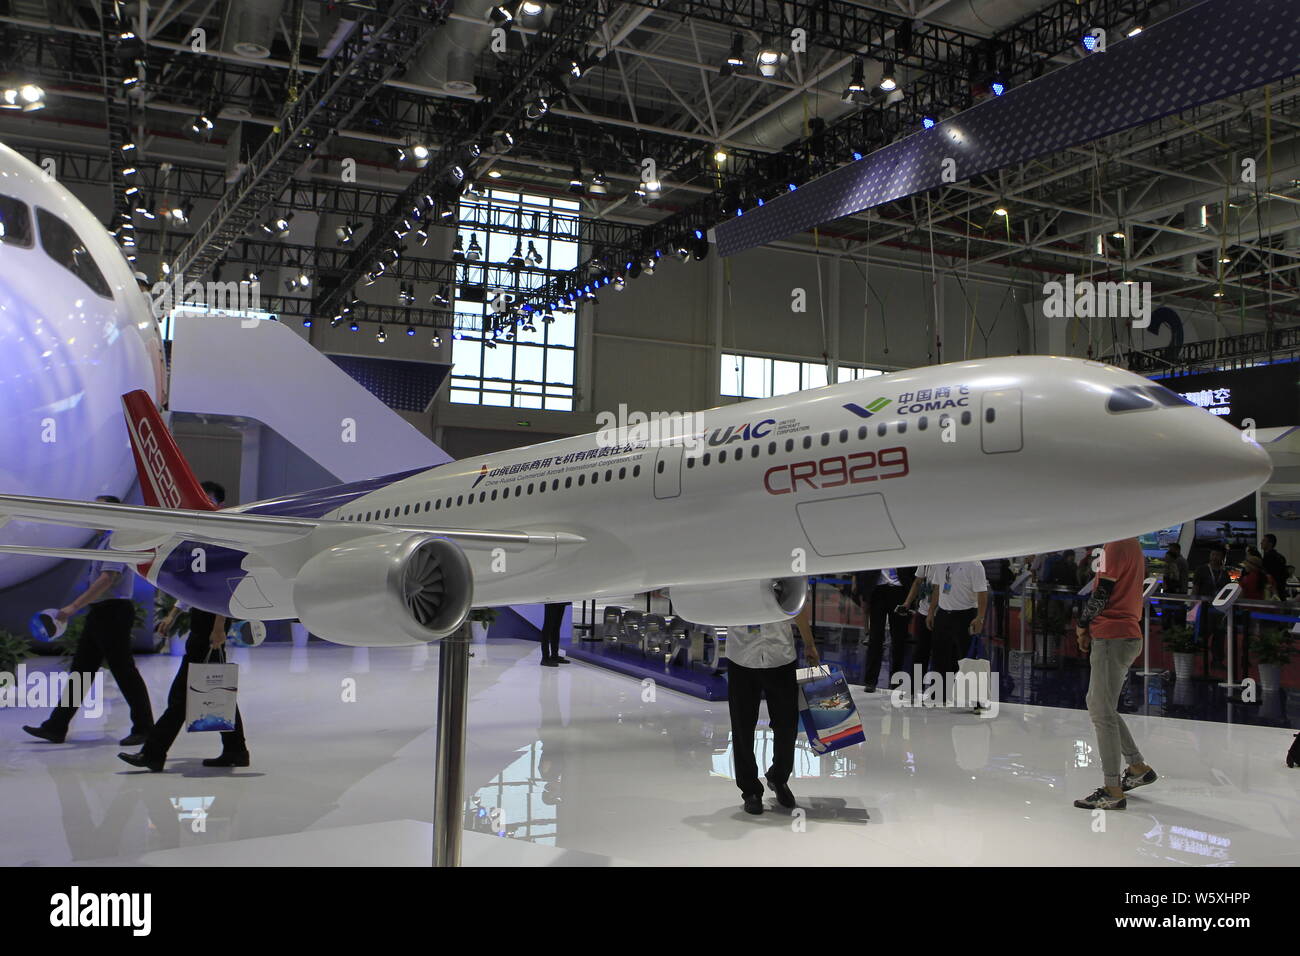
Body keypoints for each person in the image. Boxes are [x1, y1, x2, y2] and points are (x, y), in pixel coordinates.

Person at [120, 481, 250, 771]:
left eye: (208, 499)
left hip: (211, 623)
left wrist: (219, 627)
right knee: (211, 691)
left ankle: (153, 753)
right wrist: (174, 614)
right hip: (201, 620)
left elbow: (223, 587)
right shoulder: (201, 535)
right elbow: (197, 586)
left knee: (184, 695)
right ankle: (236, 751)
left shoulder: (225, 534)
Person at [22, 497, 155, 747]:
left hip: (113, 611)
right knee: (82, 671)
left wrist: (72, 608)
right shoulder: (104, 541)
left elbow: (107, 579)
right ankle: (56, 726)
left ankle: (145, 727)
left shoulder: (117, 542)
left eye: (96, 510)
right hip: (102, 612)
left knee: (124, 671)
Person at [1073, 537, 1157, 810]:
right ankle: (1136, 767)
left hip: (1112, 635)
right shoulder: (1130, 544)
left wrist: (1083, 624)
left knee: (1101, 711)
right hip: (1123, 634)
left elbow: (1102, 593)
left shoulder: (1116, 544)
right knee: (1102, 706)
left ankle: (1112, 789)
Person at [725, 602, 819, 815]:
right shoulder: (734, 571)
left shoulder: (785, 570)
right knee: (742, 725)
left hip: (781, 654)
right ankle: (750, 790)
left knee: (787, 724)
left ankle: (779, 778)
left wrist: (809, 643)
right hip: (741, 654)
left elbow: (799, 605)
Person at [925, 561, 988, 680]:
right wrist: (931, 611)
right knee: (940, 656)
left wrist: (980, 617)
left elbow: (982, 592)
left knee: (966, 657)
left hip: (966, 615)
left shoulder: (974, 564)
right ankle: (940, 694)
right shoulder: (941, 562)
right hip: (943, 614)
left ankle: (967, 694)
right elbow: (938, 587)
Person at [859, 567, 914, 692]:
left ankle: (896, 681)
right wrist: (864, 591)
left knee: (899, 638)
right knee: (875, 637)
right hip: (878, 590)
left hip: (900, 590)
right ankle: (870, 681)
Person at [1193, 544, 1230, 665]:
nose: (1214, 557)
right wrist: (1193, 605)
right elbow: (1196, 588)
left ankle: (1217, 660)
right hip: (1204, 609)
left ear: (1222, 557)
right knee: (1201, 634)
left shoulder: (1224, 574)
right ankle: (1196, 661)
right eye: (1213, 554)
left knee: (1219, 635)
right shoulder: (1201, 570)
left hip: (1219, 610)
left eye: (1217, 555)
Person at [900, 564, 935, 673]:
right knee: (919, 653)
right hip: (923, 611)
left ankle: (938, 688)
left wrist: (931, 612)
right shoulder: (925, 563)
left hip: (941, 613)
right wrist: (907, 603)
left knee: (940, 656)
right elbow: (917, 582)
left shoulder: (945, 563)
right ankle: (915, 687)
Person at [539, 601, 572, 666]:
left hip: (562, 600)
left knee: (556, 628)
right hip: (552, 599)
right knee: (547, 628)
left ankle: (554, 656)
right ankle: (545, 658)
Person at [1260, 534, 1289, 601]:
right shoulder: (1280, 557)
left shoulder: (1268, 558)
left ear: (1270, 543)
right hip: (1281, 590)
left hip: (1272, 592)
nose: (1261, 542)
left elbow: (1268, 576)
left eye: (1264, 541)